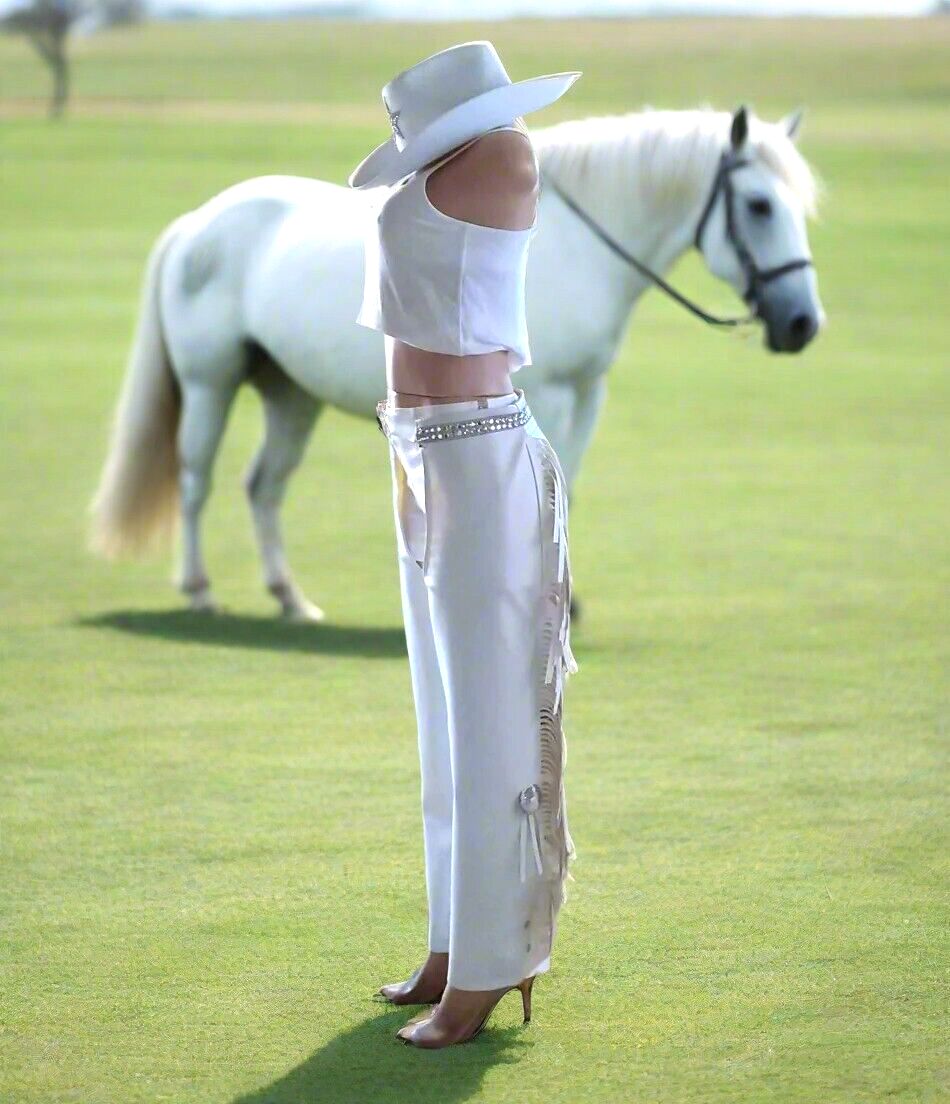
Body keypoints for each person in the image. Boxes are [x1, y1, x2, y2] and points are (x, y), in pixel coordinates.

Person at [349, 40, 582, 1049]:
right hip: (421, 455)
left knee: (487, 723)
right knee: (442, 727)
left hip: (479, 457)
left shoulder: (500, 155)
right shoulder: (454, 164)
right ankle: (455, 942)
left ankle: (491, 967)